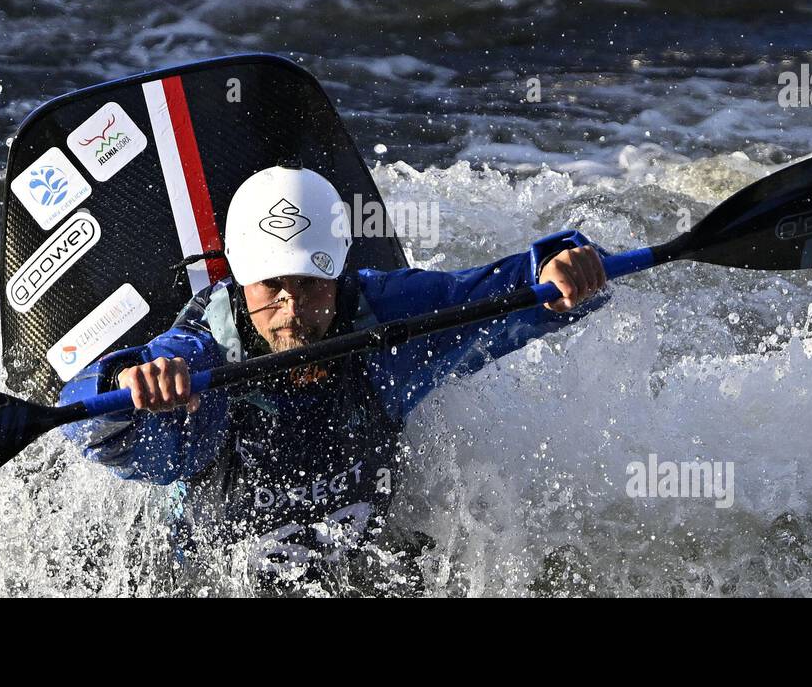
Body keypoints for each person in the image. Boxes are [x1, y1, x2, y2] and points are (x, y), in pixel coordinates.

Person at [59, 165, 609, 578]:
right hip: (214, 581)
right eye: (272, 287)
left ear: (337, 269)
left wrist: (560, 271)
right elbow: (87, 423)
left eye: (310, 285)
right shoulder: (199, 360)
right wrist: (123, 384)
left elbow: (499, 295)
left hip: (363, 571)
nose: (293, 309)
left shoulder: (388, 320)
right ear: (240, 278)